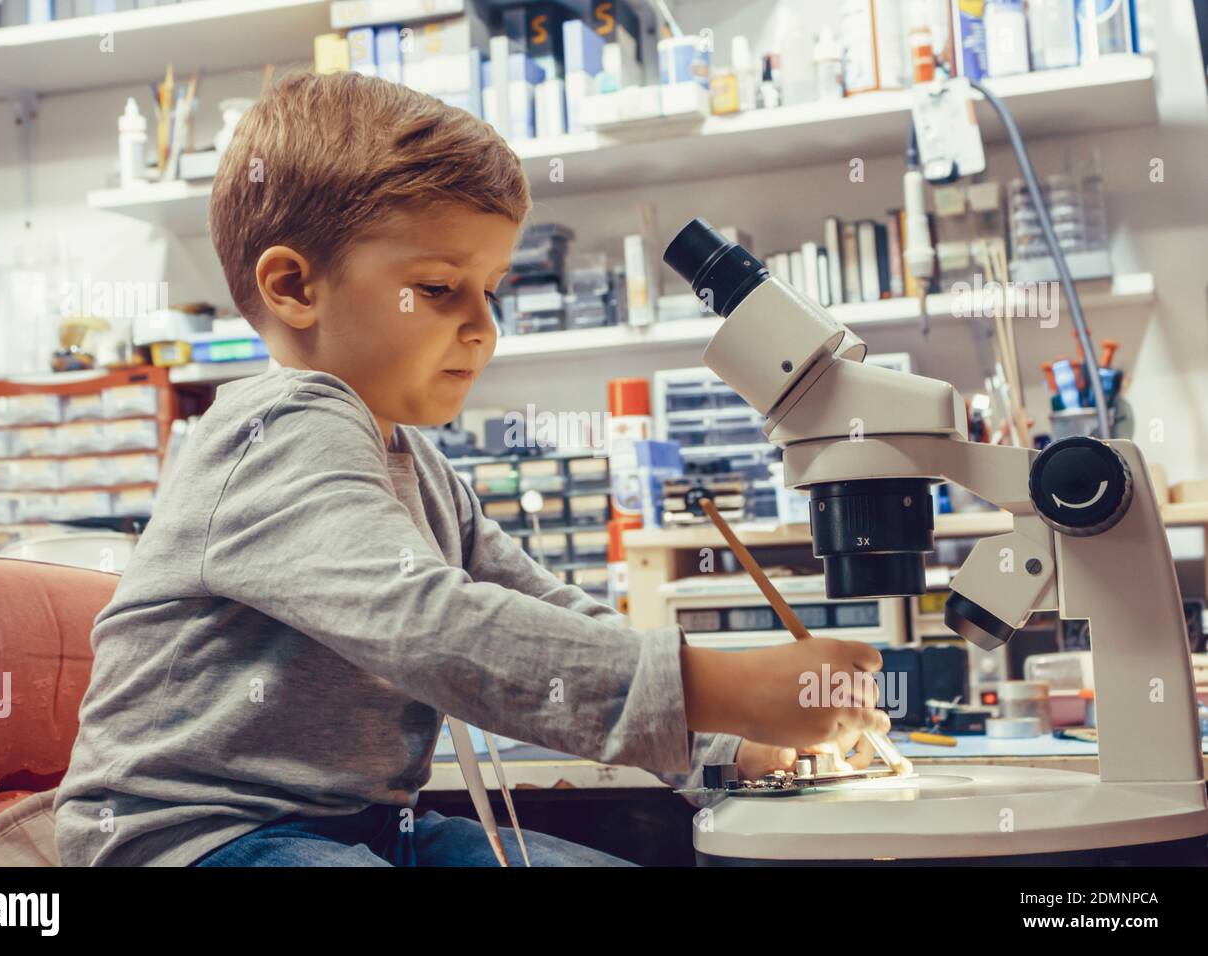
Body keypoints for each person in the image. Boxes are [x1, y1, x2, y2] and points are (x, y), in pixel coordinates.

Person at [53, 70, 888, 867]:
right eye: (441, 287)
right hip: (192, 840)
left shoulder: (410, 459)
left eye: (491, 288)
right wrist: (714, 686)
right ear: (294, 286)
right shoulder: (276, 428)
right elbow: (428, 624)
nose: (485, 328)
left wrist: (728, 741)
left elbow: (542, 606)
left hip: (369, 828)